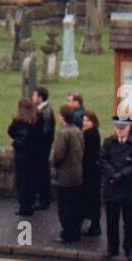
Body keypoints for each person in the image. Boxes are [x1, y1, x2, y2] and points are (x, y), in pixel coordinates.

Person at [101, 115, 132, 260]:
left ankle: (129, 249)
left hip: (128, 188)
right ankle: (112, 248)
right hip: (112, 186)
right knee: (111, 221)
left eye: (123, 128)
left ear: (129, 128)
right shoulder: (108, 142)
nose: (120, 131)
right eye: (118, 128)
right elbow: (102, 160)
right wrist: (113, 174)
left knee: (129, 222)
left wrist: (121, 174)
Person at [50, 104, 85, 243]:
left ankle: (67, 233)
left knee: (65, 207)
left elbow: (58, 154)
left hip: (64, 175)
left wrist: (53, 163)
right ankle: (75, 231)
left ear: (62, 118)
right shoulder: (78, 131)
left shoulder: (63, 133)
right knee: (75, 205)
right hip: (77, 173)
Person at [7, 98, 38, 216]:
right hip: (33, 154)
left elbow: (10, 132)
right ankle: (30, 204)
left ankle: (23, 206)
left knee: (22, 181)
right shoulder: (35, 121)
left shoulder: (18, 121)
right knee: (30, 180)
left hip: (21, 155)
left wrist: (16, 140)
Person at [33, 87, 56, 209]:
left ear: (40, 97)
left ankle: (44, 200)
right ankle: (42, 198)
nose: (33, 98)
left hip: (42, 148)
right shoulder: (43, 110)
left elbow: (45, 132)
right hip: (42, 147)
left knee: (42, 173)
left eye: (34, 96)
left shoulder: (45, 111)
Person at [80, 110, 102, 237]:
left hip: (90, 171)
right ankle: (94, 225)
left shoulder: (89, 134)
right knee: (92, 199)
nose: (85, 123)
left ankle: (95, 226)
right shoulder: (92, 133)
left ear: (93, 122)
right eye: (84, 120)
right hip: (92, 170)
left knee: (91, 199)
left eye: (87, 121)